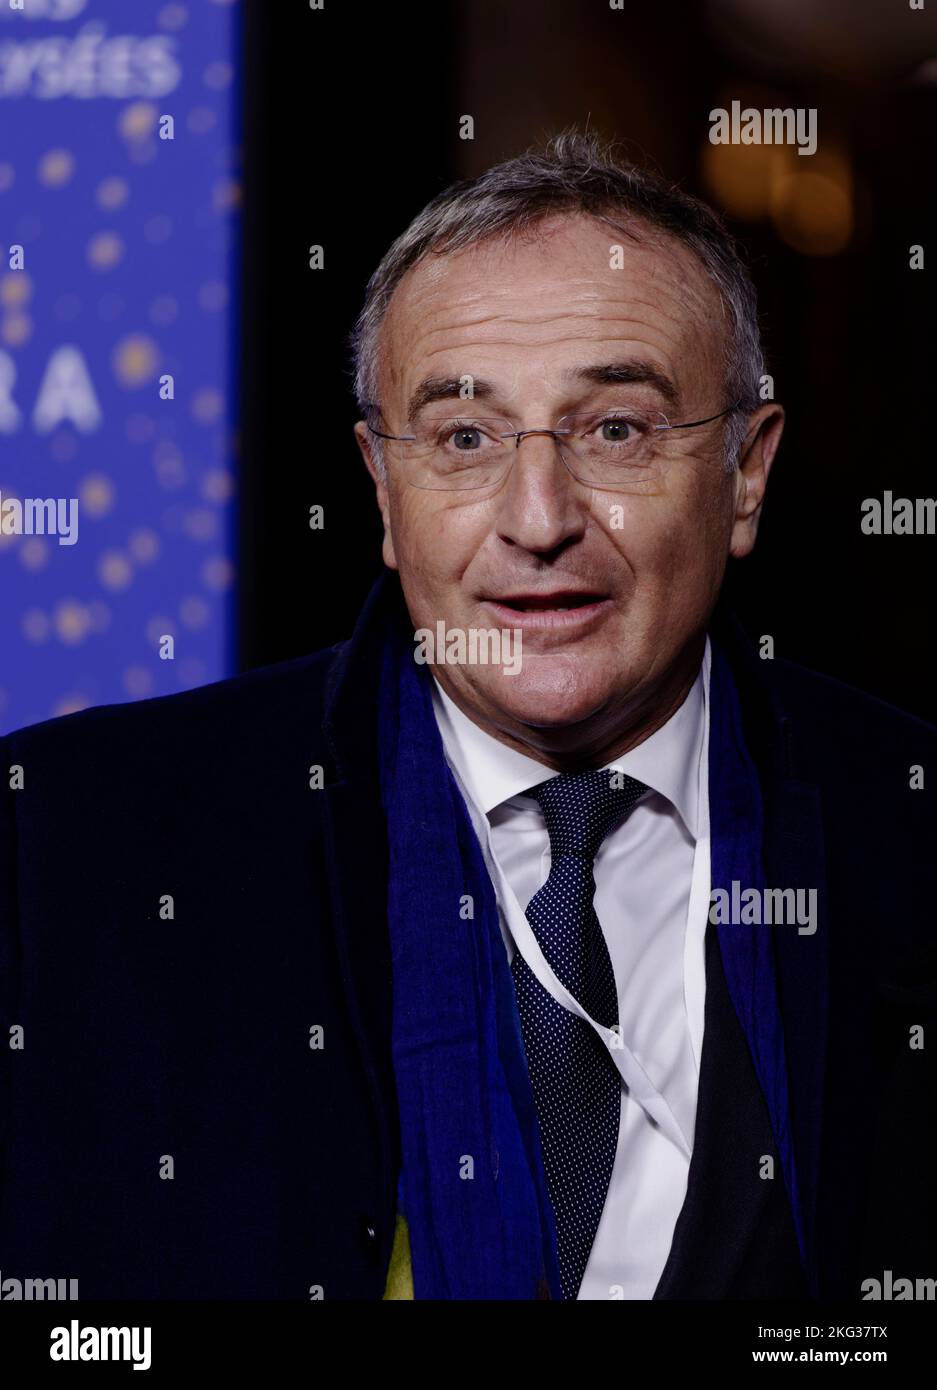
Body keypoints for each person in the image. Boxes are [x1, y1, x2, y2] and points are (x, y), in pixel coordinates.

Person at [0, 131, 934, 1301]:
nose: (537, 518)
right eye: (463, 439)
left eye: (615, 430)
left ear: (746, 471)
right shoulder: (69, 848)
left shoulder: (907, 826)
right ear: (383, 490)